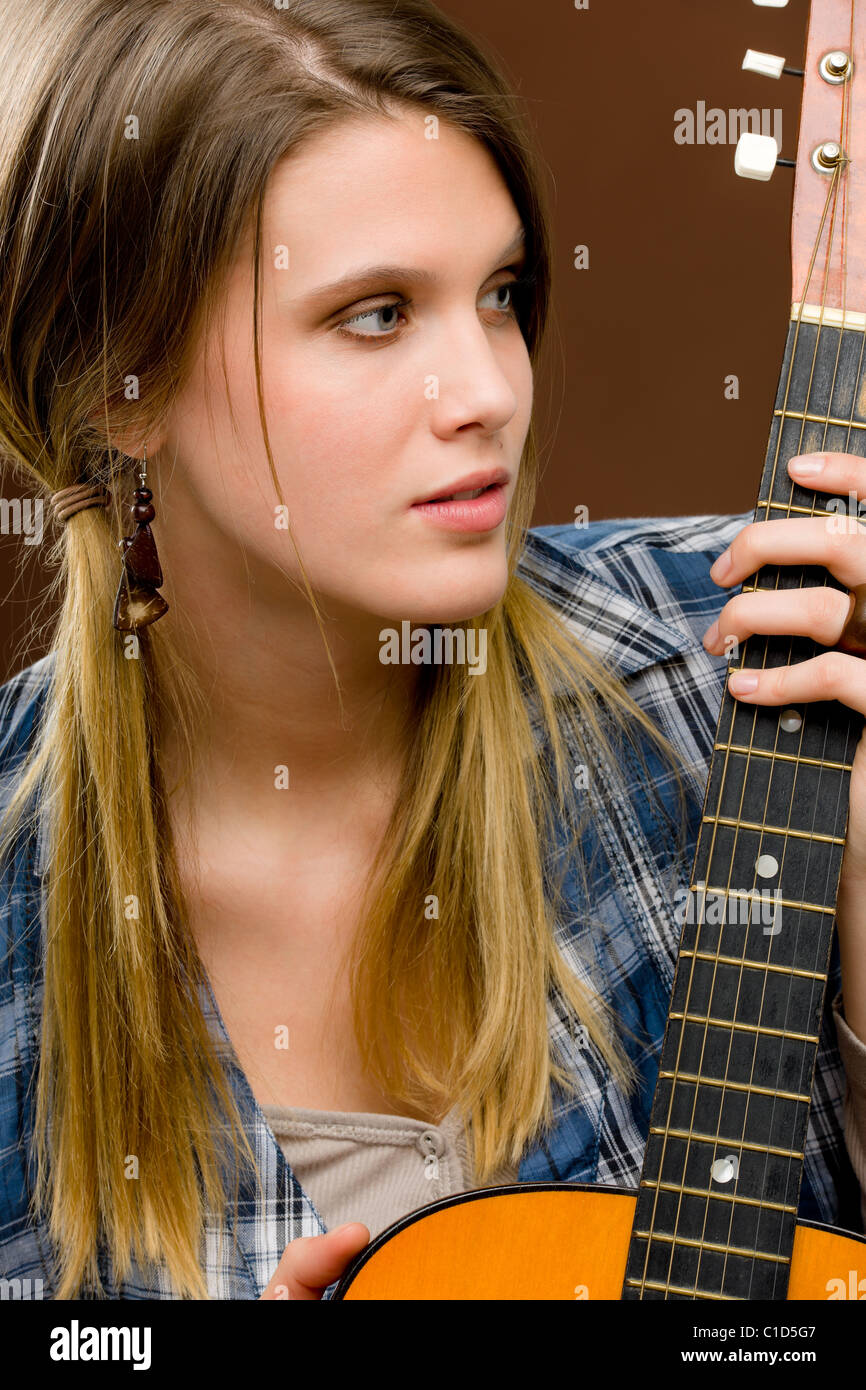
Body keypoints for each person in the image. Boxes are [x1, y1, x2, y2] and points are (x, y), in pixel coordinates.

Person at [0, 0, 864, 1303]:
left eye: (501, 294)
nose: (487, 390)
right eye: (376, 315)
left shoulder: (752, 659)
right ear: (124, 378)